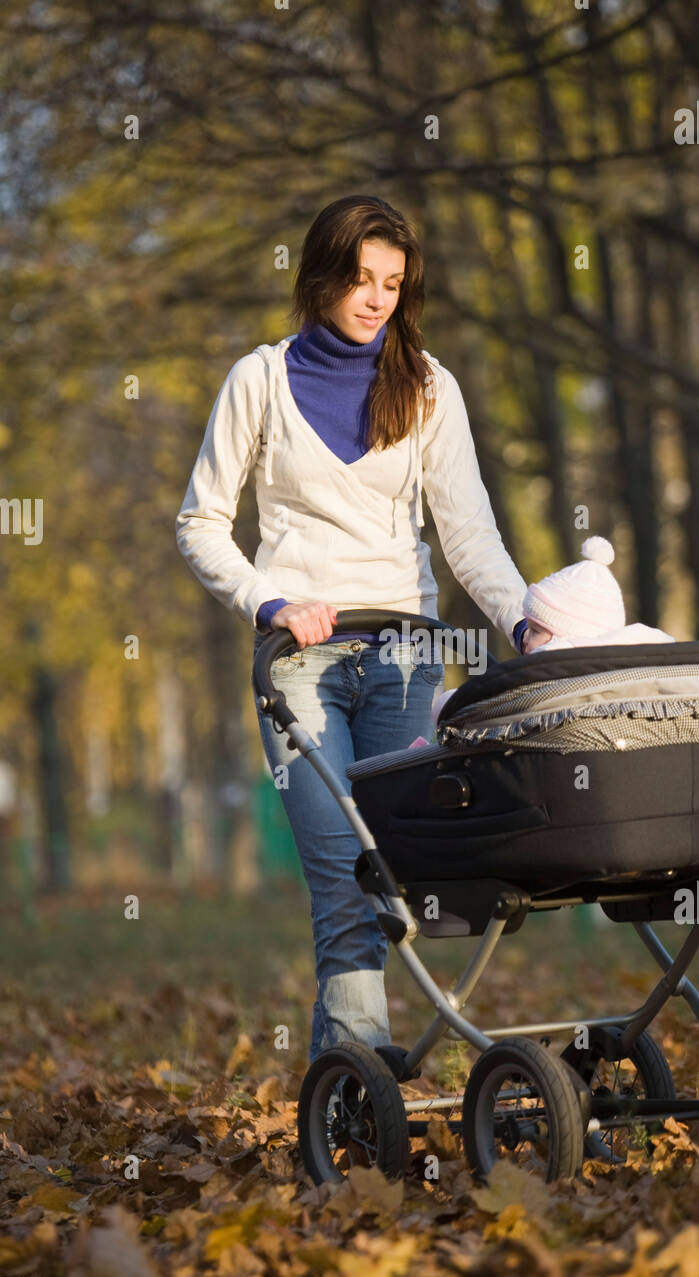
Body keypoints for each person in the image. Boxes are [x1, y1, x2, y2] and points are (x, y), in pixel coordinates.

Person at [176, 194, 529, 1062]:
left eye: (393, 284)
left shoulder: (430, 389)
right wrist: (268, 601)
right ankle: (361, 1088)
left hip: (406, 658)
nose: (376, 299)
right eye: (361, 279)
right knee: (341, 876)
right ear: (324, 275)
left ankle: (356, 1081)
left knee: (393, 876)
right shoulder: (258, 379)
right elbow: (200, 522)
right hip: (299, 661)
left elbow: (468, 530)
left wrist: (525, 620)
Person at [418, 535, 675, 733]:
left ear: (566, 637)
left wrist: (447, 703)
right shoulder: (633, 681)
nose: (525, 638)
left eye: (536, 631)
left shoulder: (546, 676)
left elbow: (473, 706)